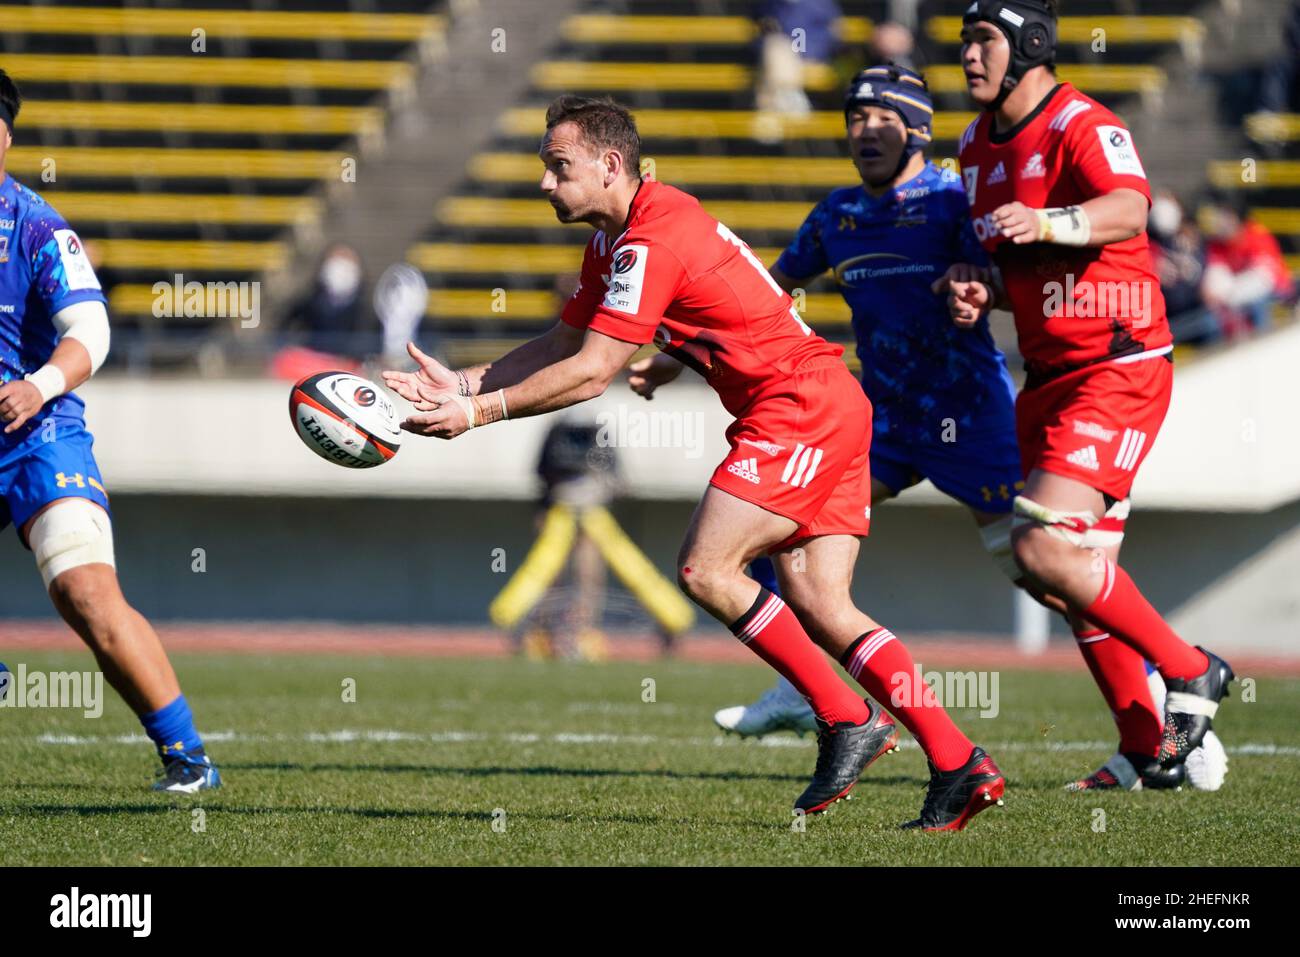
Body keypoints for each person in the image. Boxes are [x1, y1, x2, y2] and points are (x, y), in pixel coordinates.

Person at [384, 95, 1004, 829]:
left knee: (707, 569)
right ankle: (959, 759)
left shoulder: (650, 239)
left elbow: (590, 371)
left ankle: (845, 716)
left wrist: (477, 414)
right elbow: (561, 343)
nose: (545, 184)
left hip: (798, 407)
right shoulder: (621, 238)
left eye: (559, 167)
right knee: (820, 603)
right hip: (825, 400)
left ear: (610, 165)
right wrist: (459, 382)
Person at [938, 0, 1233, 790]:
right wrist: (982, 289)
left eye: (984, 40)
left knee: (1040, 544)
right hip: (1049, 374)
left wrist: (1048, 219)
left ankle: (1192, 668)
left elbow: (1127, 208)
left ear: (1031, 45)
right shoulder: (972, 147)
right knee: (1066, 575)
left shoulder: (1080, 122)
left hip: (1118, 364)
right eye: (965, 41)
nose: (969, 55)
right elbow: (1029, 270)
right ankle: (1151, 748)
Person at [0, 68, 218, 792]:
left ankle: (188, 759)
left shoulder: (36, 227)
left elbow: (90, 331)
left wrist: (37, 386)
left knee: (86, 592)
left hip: (38, 429)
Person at [1200, 193, 1294, 336]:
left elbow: (1264, 278)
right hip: (1234, 300)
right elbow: (1211, 288)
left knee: (1257, 304)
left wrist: (1231, 294)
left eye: (1225, 216)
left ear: (1236, 217)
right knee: (1209, 321)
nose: (1220, 222)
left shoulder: (1256, 233)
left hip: (1276, 294)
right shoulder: (1217, 245)